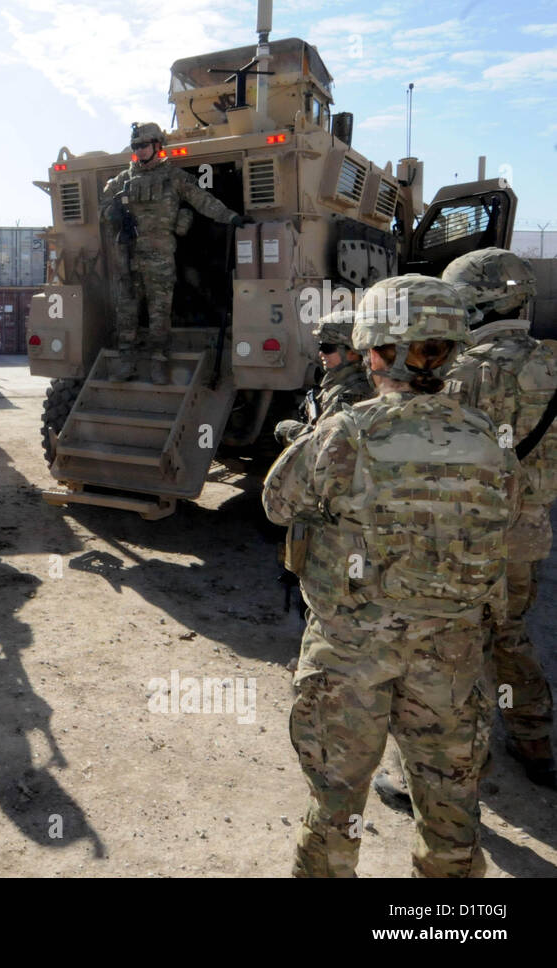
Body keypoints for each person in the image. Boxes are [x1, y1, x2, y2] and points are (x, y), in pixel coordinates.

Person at [263, 275, 520, 877]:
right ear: (452, 348)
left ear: (374, 350)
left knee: (335, 806)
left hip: (351, 654)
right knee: (451, 806)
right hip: (451, 657)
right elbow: (500, 518)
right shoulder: (488, 439)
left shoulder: (346, 432)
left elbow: (277, 504)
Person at [441, 248, 556, 789]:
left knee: (457, 643)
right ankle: (535, 741)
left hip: (473, 535)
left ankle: (465, 759)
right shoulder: (552, 363)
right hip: (529, 532)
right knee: (510, 636)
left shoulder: (466, 373)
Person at [100, 121, 248, 383]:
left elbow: (203, 201)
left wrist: (231, 217)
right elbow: (104, 205)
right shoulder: (123, 180)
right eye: (136, 146)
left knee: (159, 313)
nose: (140, 151)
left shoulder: (174, 177)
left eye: (144, 145)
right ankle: (126, 363)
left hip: (159, 258)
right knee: (127, 312)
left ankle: (158, 362)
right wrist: (111, 212)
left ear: (157, 146)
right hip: (128, 256)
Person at [274, 310, 373, 445]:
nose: (321, 353)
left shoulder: (352, 393)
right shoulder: (341, 382)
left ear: (353, 352)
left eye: (327, 348)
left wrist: (290, 429)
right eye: (320, 346)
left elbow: (323, 442)